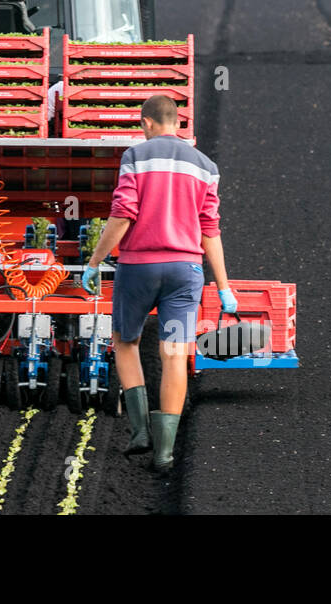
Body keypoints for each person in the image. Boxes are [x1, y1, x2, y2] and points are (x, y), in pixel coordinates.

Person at [81, 94, 236, 473]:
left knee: (125, 341)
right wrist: (224, 286)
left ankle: (140, 433)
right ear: (178, 123)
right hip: (186, 272)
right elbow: (210, 229)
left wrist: (95, 261)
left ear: (146, 123)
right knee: (174, 354)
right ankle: (165, 453)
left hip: (139, 268)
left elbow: (123, 214)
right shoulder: (206, 166)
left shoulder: (136, 156)